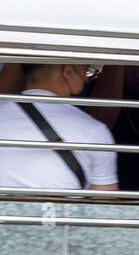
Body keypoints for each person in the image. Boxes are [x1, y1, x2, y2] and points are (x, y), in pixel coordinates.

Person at [0, 63, 119, 191]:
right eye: (86, 71)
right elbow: (105, 204)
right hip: (59, 210)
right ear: (67, 72)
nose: (86, 79)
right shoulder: (93, 130)